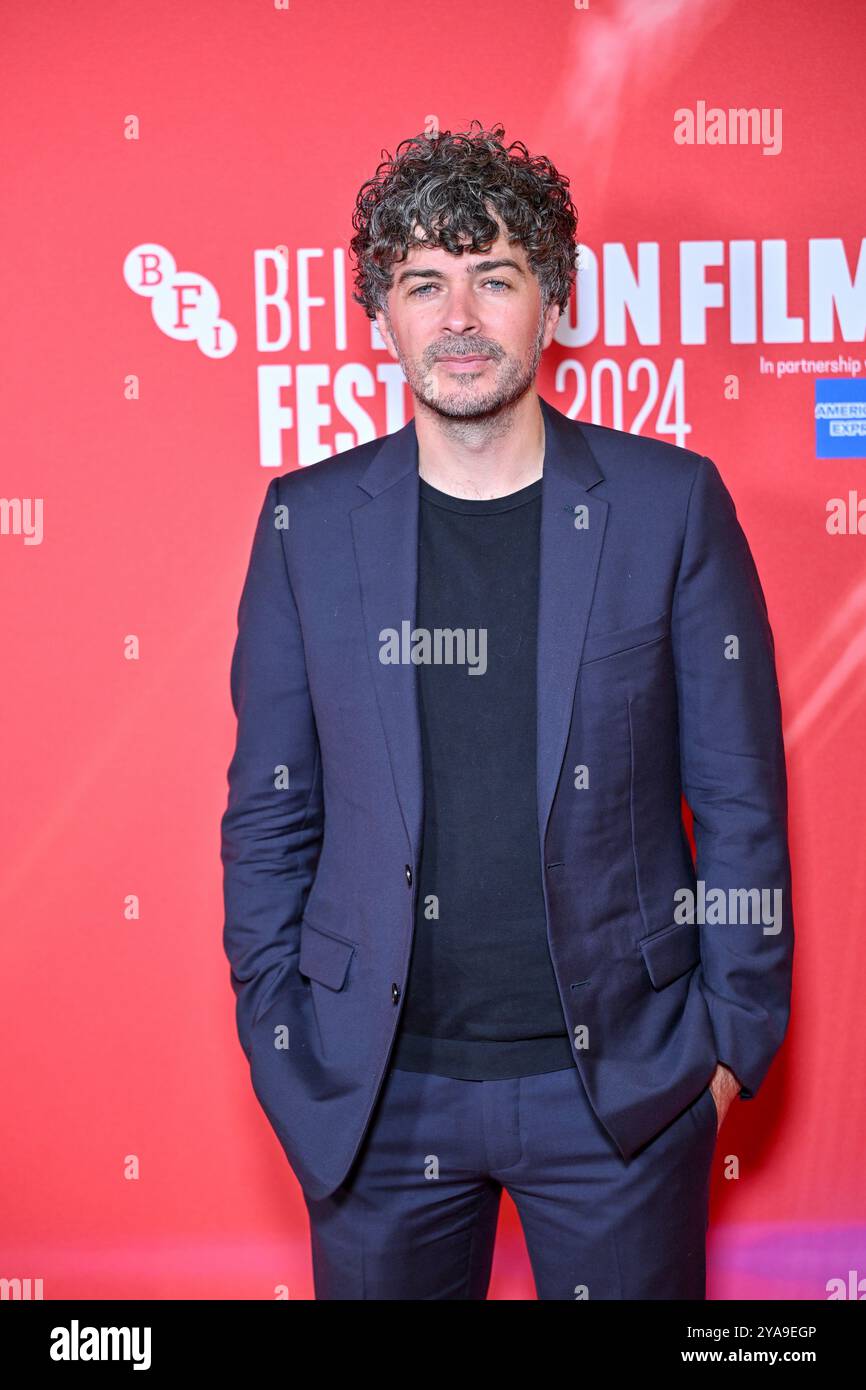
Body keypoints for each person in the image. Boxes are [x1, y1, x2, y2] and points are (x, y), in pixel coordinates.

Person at [220, 121, 794, 1300]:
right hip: (375, 1095)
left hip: (622, 1093)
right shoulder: (306, 526)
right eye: (423, 282)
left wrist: (730, 1041)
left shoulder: (666, 507)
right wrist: (284, 1037)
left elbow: (738, 796)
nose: (460, 316)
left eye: (494, 275)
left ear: (552, 302)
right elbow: (269, 815)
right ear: (381, 314)